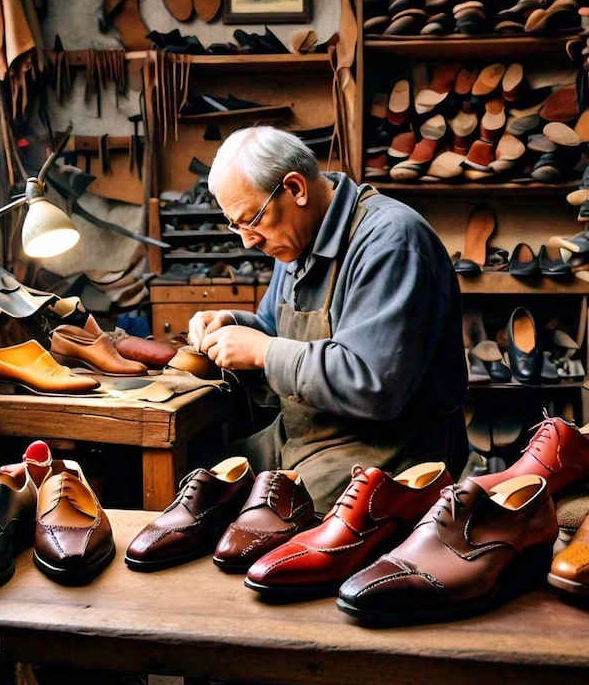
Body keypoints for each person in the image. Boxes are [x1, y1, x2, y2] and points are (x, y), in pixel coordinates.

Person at [188, 124, 469, 513]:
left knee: (262, 527)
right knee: (198, 483)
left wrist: (263, 351)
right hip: (302, 438)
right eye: (235, 225)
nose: (247, 240)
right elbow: (273, 329)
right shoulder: (297, 236)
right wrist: (233, 327)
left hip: (386, 450)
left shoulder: (391, 241)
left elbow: (373, 383)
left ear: (295, 189)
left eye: (252, 220)